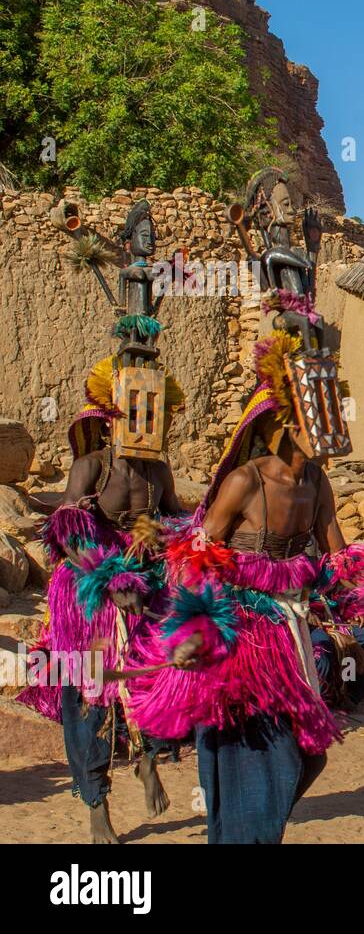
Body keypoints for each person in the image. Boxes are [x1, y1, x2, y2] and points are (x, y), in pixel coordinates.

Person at [128, 330, 364, 843]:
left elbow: (335, 559)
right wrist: (197, 627)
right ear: (289, 422)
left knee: (307, 754)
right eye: (320, 421)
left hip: (289, 636)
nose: (330, 433)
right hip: (242, 637)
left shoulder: (316, 484)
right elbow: (194, 556)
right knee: (258, 754)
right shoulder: (245, 480)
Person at [18, 357, 186, 843]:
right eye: (137, 410)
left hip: (143, 590)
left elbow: (176, 518)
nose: (147, 423)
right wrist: (109, 580)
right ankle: (96, 801)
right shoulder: (93, 466)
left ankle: (148, 757)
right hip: (89, 593)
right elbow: (67, 532)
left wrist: (173, 537)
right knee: (91, 696)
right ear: (116, 412)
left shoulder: (159, 470)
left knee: (160, 678)